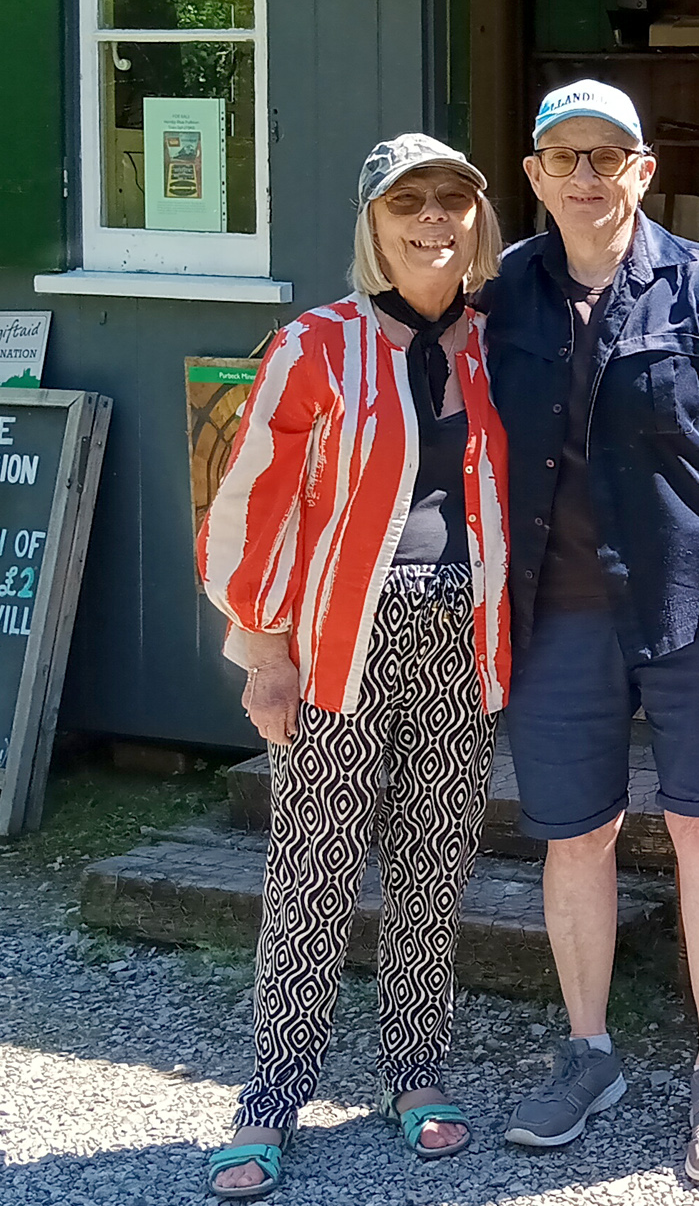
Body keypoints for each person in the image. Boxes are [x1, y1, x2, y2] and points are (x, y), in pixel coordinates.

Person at [482, 80, 699, 1183]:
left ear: (642, 170)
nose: (584, 176)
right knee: (576, 833)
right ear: (531, 175)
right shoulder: (501, 295)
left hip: (693, 606)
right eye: (563, 157)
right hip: (555, 615)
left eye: (605, 156)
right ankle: (590, 1053)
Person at [196, 134, 511, 1199]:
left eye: (452, 201)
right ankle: (270, 1092)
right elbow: (250, 504)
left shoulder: (496, 342)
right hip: (339, 643)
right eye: (408, 202)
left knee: (433, 864)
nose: (433, 218)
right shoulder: (314, 345)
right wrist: (263, 647)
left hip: (460, 638)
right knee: (311, 870)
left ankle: (415, 1070)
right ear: (373, 225)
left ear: (477, 221)